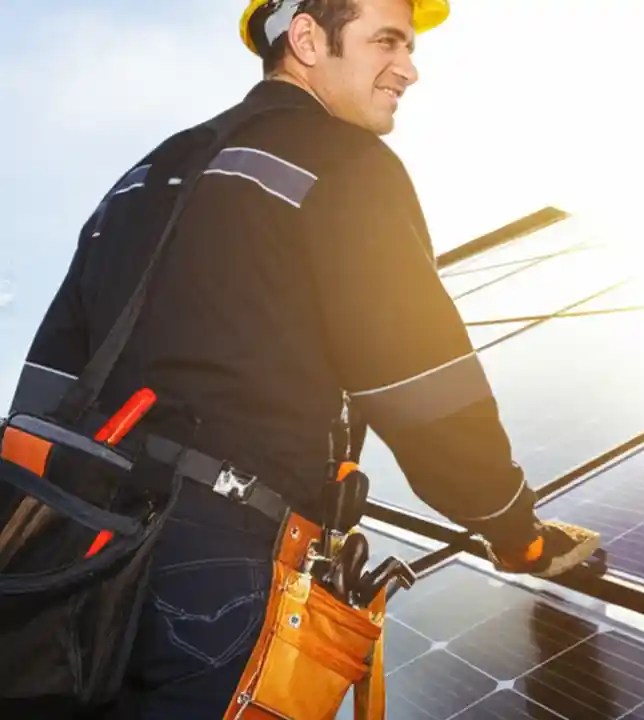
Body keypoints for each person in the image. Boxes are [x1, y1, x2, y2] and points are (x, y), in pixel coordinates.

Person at [9, 0, 598, 716]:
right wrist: (516, 530)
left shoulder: (142, 177)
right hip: (220, 566)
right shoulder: (344, 162)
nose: (409, 69)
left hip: (76, 555)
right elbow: (423, 389)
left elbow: (45, 394)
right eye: (387, 41)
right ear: (309, 39)